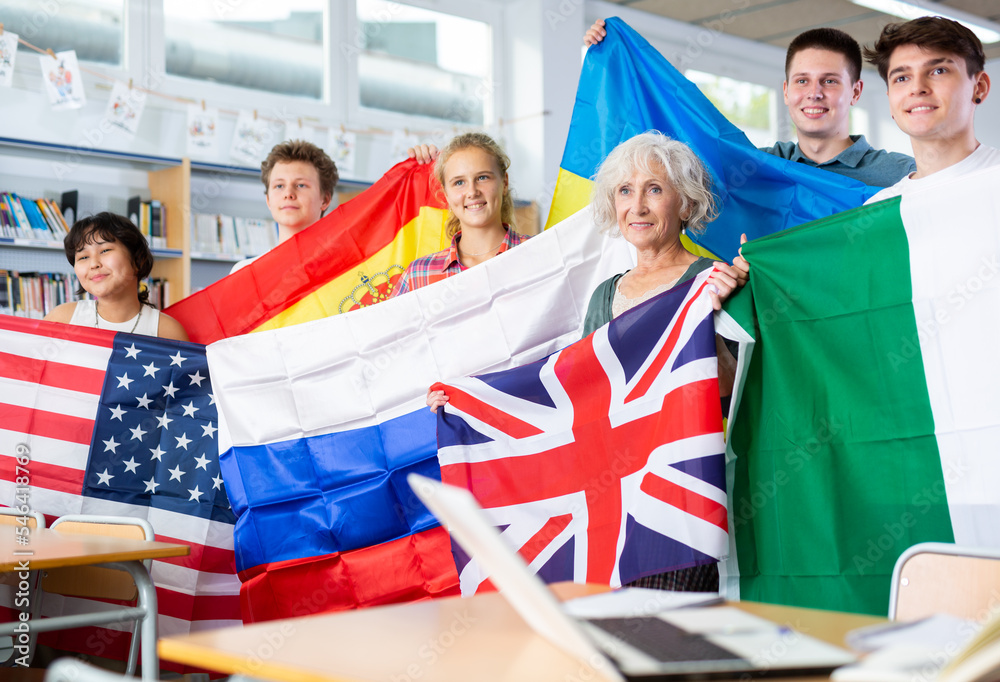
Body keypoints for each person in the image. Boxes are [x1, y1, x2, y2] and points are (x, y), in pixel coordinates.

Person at [582, 131, 748, 591]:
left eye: (654, 189)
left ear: (687, 204)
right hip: (614, 489)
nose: (637, 206)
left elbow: (738, 392)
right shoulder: (604, 295)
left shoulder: (717, 281)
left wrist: (704, 325)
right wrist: (470, 404)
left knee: (675, 627)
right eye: (625, 191)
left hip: (683, 486)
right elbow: (580, 393)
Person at [584, 21, 915, 187]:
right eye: (802, 81)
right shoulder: (755, 169)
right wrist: (611, 61)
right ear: (786, 91)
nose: (814, 93)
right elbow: (670, 165)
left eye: (829, 81)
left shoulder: (901, 175)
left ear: (855, 92)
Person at [863, 16, 995, 203]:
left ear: (979, 87)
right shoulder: (880, 210)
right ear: (891, 102)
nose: (917, 88)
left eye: (938, 71)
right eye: (901, 78)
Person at [391, 132, 529, 297]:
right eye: (459, 182)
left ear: (504, 183)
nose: (472, 192)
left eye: (483, 177)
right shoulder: (418, 276)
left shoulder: (541, 253)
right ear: (446, 194)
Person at [45, 212, 189, 341]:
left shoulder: (167, 332)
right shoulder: (61, 319)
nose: (93, 264)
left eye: (105, 250)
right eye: (83, 257)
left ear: (138, 260)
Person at [231, 139, 339, 274]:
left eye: (301, 185)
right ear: (268, 200)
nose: (288, 194)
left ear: (325, 200)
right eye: (279, 186)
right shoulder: (245, 273)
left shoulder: (344, 272)